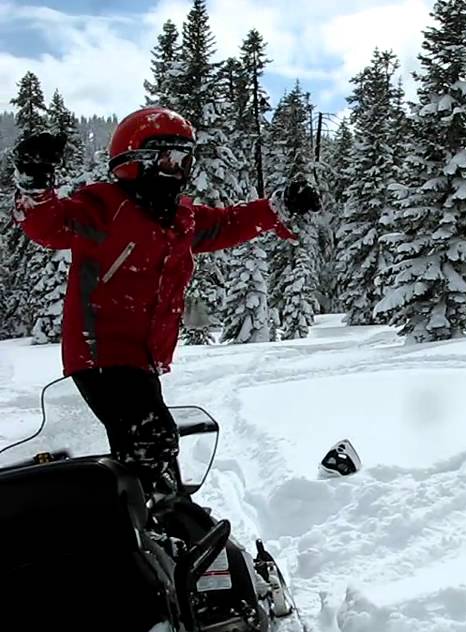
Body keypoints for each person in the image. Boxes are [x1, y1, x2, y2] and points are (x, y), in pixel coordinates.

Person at [12, 107, 321, 495]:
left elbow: (228, 224)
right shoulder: (103, 207)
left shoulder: (180, 218)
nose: (176, 169)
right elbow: (50, 224)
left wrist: (280, 205)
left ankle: (160, 518)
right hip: (99, 352)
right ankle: (154, 522)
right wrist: (35, 181)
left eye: (184, 160)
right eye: (167, 158)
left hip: (140, 359)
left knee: (153, 446)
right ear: (133, 159)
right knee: (151, 439)